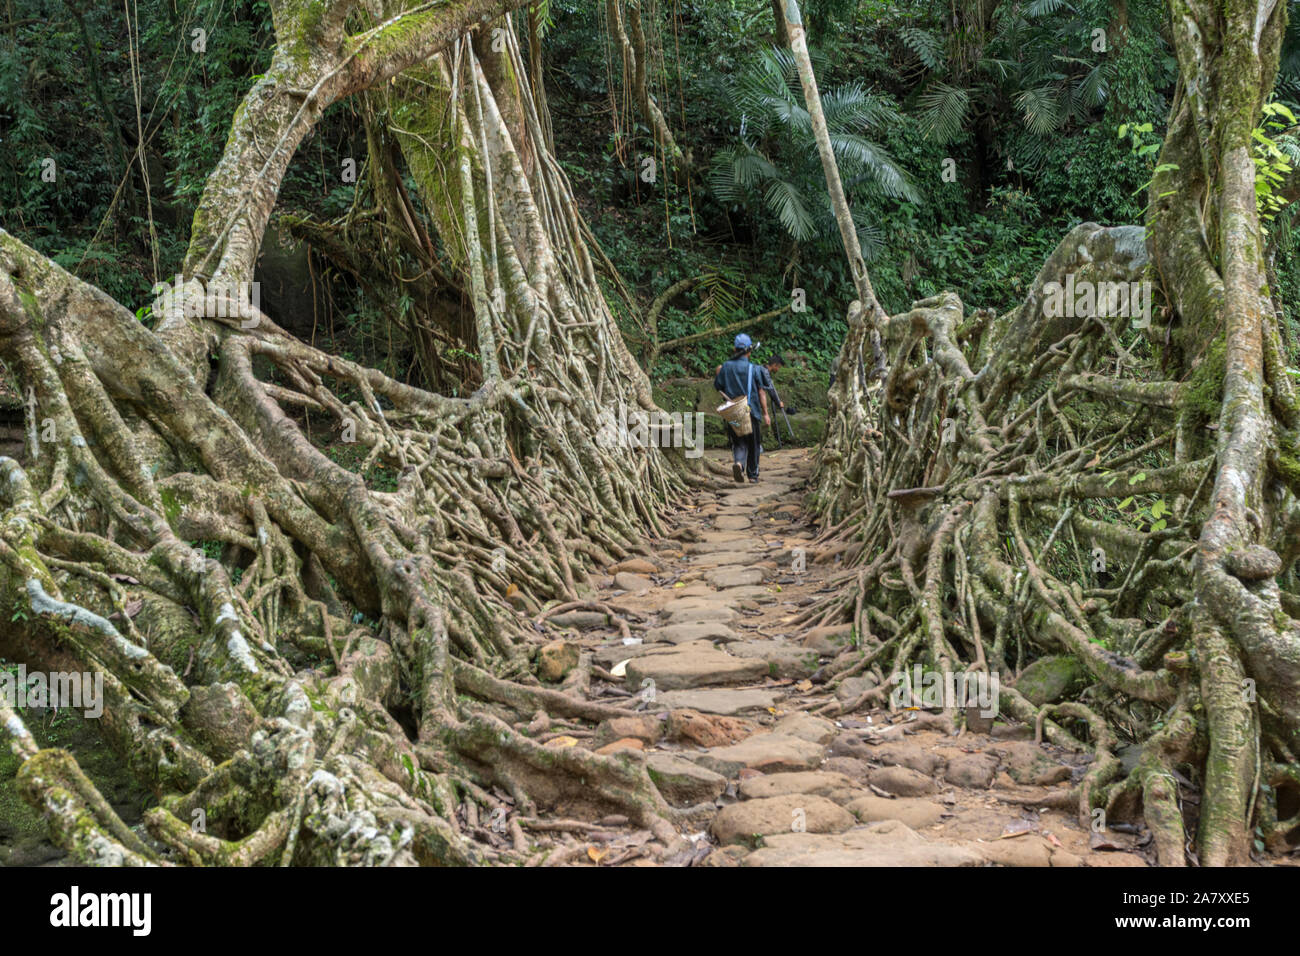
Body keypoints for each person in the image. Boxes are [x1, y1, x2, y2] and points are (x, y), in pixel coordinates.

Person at [714, 333, 782, 483]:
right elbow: (761, 392)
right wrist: (765, 414)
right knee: (754, 444)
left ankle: (739, 463)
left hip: (733, 412)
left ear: (734, 349)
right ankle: (752, 475)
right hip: (752, 412)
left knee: (738, 442)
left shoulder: (725, 367)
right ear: (749, 352)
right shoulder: (755, 369)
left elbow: (718, 386)